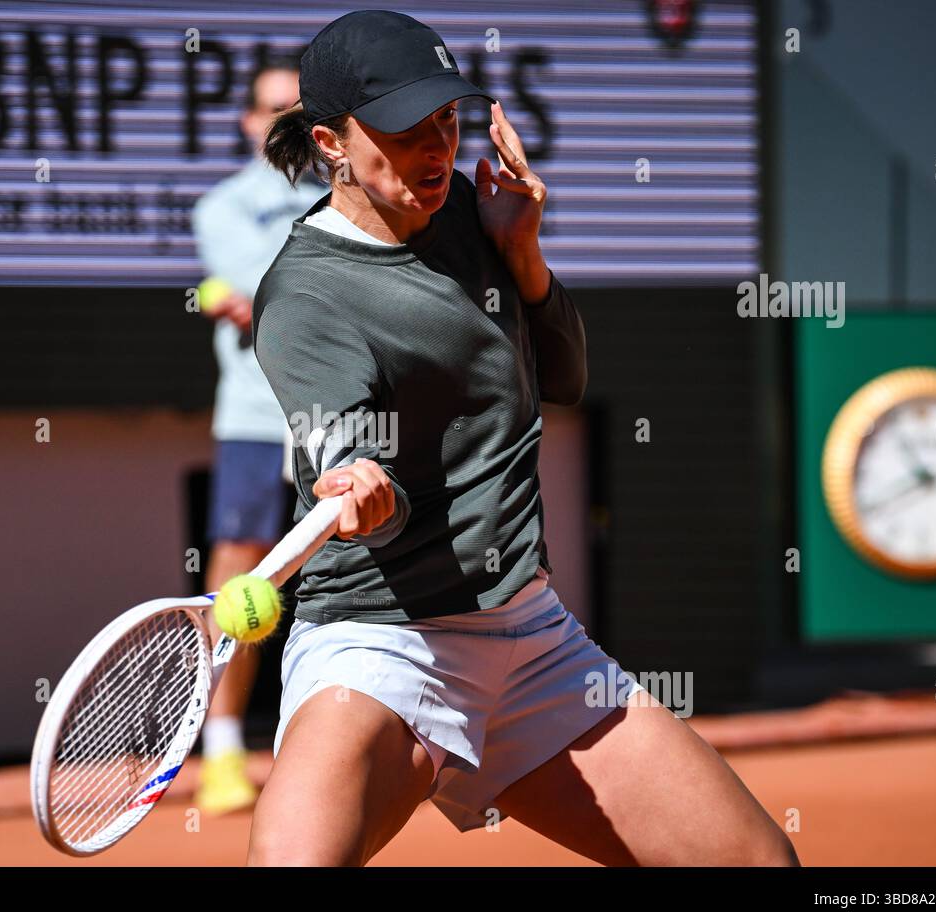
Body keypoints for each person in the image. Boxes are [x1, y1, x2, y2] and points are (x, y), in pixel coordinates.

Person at [248, 10, 801, 866]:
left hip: (531, 633)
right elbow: (357, 471)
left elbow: (565, 378)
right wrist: (361, 486)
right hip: (384, 642)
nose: (435, 149)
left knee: (760, 862)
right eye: (403, 129)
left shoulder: (469, 207)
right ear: (331, 142)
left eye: (448, 120)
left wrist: (522, 252)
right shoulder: (306, 296)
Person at [190, 59, 329, 815]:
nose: (281, 123)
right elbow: (289, 296)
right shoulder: (222, 209)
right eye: (271, 109)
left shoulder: (344, 201)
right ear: (249, 123)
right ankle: (219, 753)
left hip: (334, 420)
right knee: (240, 578)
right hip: (252, 417)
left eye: (295, 111)